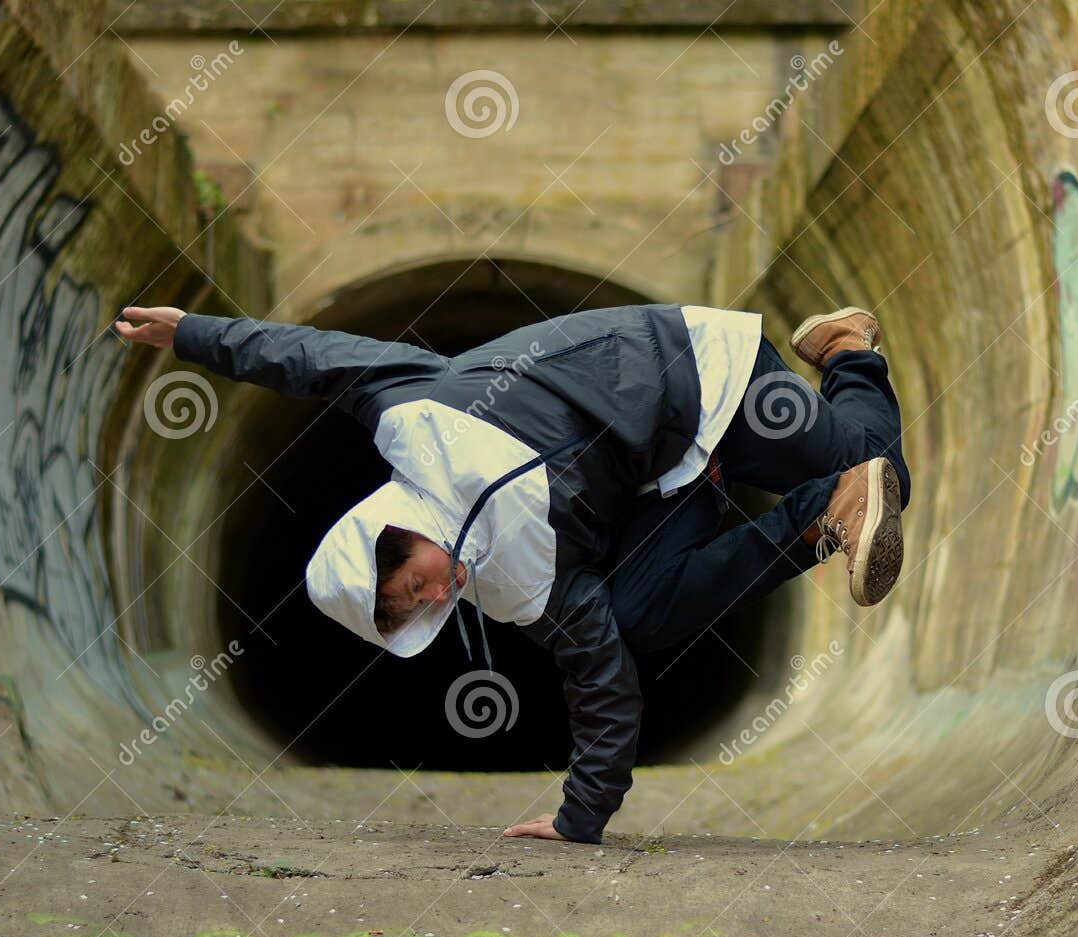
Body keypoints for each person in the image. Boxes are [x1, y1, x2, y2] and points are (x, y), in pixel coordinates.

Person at [113, 303, 910, 844]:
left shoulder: (416, 411)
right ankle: (820, 517)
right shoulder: (520, 588)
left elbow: (309, 359)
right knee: (629, 623)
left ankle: (846, 351)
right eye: (414, 609)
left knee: (878, 466)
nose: (434, 595)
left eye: (412, 581)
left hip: (694, 370)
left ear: (397, 532)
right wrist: (580, 817)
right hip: (671, 480)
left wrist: (192, 334)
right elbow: (601, 679)